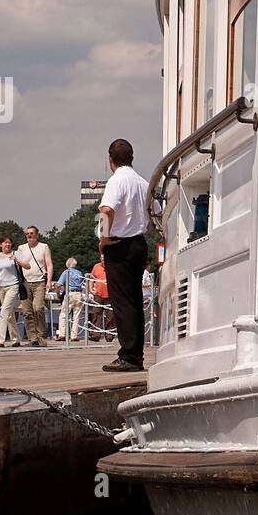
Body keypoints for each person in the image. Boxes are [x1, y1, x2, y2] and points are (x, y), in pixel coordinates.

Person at [98, 138, 150, 372]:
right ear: (132, 158)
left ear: (110, 159)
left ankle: (128, 356)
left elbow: (107, 209)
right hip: (139, 243)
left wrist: (104, 238)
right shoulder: (142, 182)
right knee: (135, 301)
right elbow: (156, 211)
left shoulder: (116, 181)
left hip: (119, 244)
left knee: (121, 302)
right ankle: (136, 354)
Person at [15, 225, 53, 348]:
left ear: (37, 235)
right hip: (25, 282)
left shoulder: (44, 247)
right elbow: (18, 265)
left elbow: (49, 264)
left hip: (39, 281)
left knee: (38, 308)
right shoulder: (21, 248)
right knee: (27, 311)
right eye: (27, 234)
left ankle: (41, 336)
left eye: (31, 233)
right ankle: (33, 338)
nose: (29, 236)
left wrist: (49, 280)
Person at [0, 236, 22, 347]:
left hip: (13, 285)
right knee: (9, 314)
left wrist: (17, 260)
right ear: (1, 244)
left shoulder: (15, 254)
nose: (7, 245)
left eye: (9, 243)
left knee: (4, 311)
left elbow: (27, 265)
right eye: (5, 243)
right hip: (1, 287)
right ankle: (15, 339)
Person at [56, 257, 86, 341]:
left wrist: (58, 293)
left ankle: (62, 334)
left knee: (64, 314)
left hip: (70, 293)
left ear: (67, 264)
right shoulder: (79, 273)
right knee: (76, 315)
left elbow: (58, 285)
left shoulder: (66, 272)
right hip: (79, 294)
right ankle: (74, 336)